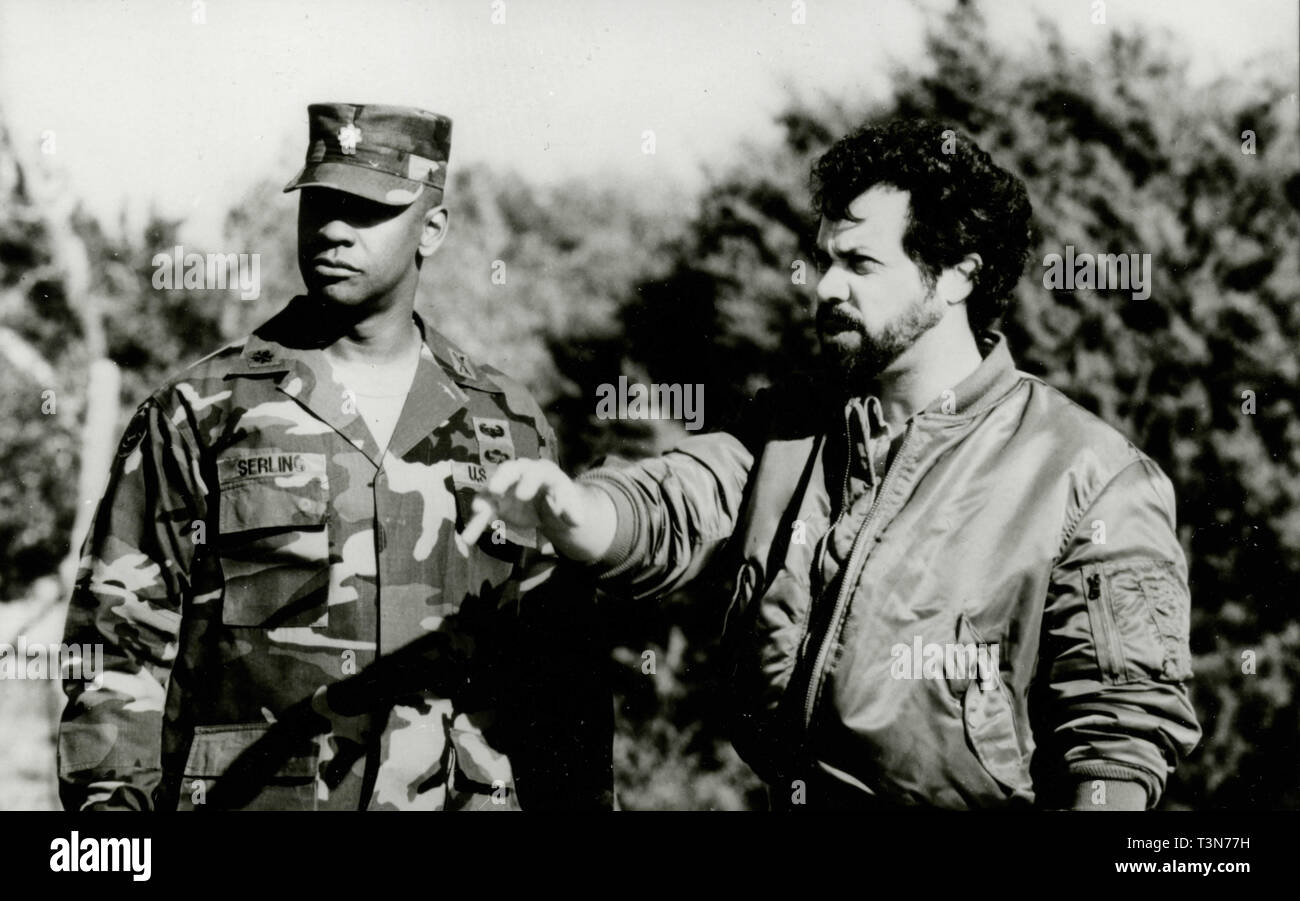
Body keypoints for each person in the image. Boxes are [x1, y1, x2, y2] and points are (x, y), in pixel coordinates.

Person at [469, 118, 1202, 810]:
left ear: (955, 276)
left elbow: (1119, 730)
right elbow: (677, 500)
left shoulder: (1090, 475)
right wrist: (578, 512)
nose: (824, 286)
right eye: (824, 258)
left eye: (858, 263)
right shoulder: (793, 427)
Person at [57, 102, 611, 811]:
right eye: (317, 205)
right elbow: (117, 644)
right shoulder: (202, 411)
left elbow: (561, 675)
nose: (333, 230)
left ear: (431, 230)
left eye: (366, 209)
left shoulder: (506, 424)